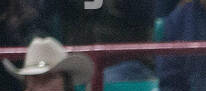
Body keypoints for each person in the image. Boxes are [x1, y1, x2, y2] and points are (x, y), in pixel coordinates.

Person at [29, 1, 157, 84]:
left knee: (105, 81)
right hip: (75, 64)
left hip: (127, 64)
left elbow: (146, 12)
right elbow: (39, 20)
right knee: (44, 82)